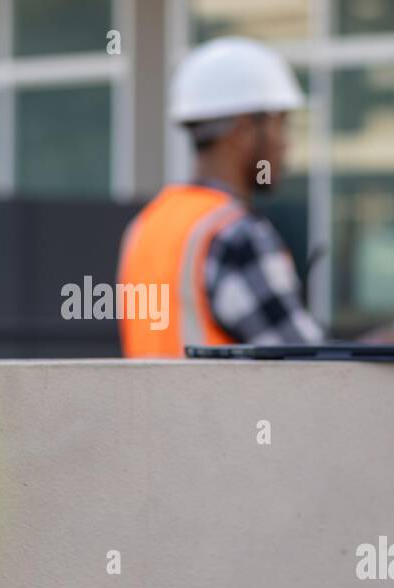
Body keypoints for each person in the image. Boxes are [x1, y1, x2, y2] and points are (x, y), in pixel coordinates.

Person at [117, 36, 324, 357]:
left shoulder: (146, 226)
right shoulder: (236, 233)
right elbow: (309, 365)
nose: (286, 144)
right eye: (280, 124)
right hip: (215, 409)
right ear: (242, 131)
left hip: (154, 408)